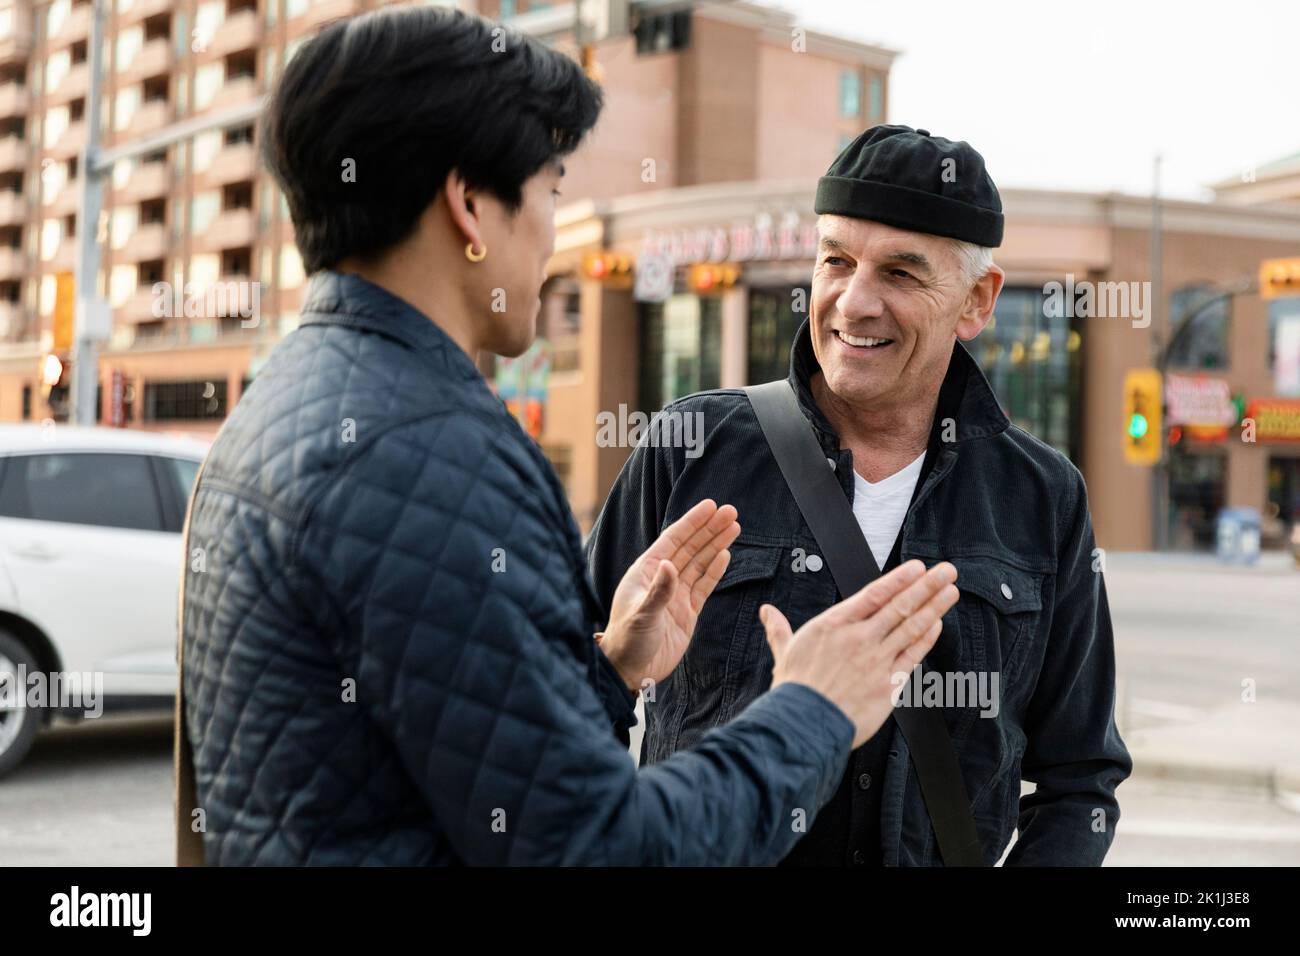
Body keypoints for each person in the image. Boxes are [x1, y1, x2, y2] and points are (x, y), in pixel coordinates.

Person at [175, 8, 959, 866]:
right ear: (470, 205)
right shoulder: (438, 454)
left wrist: (608, 670)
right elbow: (597, 849)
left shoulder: (271, 409)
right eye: (550, 190)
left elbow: (459, 771)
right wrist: (814, 707)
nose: (553, 231)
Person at [588, 125, 1133, 866]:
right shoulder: (691, 447)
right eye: (836, 261)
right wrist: (615, 667)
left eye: (902, 275)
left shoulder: (1043, 497)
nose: (855, 301)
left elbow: (1080, 779)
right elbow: (556, 697)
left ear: (977, 300)